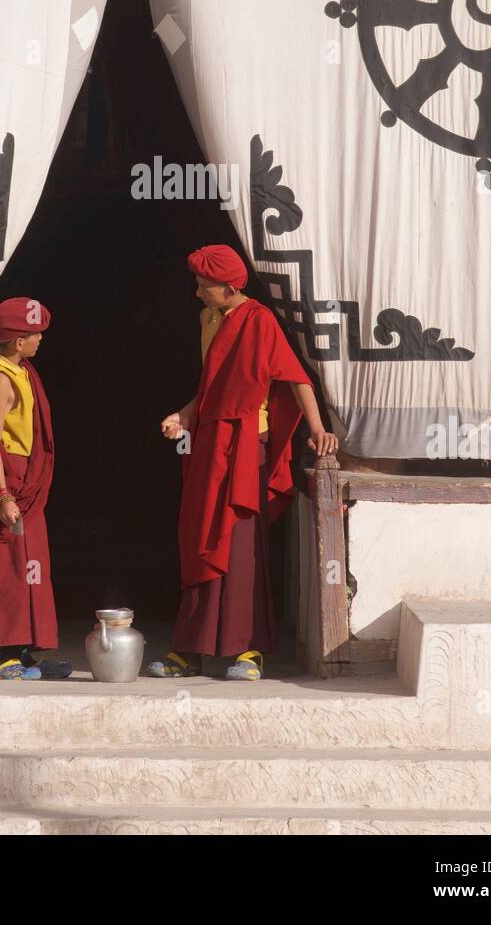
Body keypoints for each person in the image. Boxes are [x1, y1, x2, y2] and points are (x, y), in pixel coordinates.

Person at [148, 244, 338, 681]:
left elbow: (294, 377)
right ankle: (190, 650)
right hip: (210, 443)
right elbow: (210, 386)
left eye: (204, 287)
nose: (197, 294)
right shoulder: (209, 320)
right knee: (200, 540)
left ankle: (249, 652)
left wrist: (316, 428)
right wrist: (183, 415)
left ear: (229, 287)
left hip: (247, 444)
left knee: (241, 547)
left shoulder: (260, 321)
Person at [0, 296, 72, 681]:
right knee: (3, 566)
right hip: (8, 479)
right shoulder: (0, 378)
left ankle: (22, 651)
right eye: (34, 334)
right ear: (15, 342)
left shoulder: (23, 369)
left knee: (31, 565)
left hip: (28, 478)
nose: (40, 339)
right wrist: (3, 496)